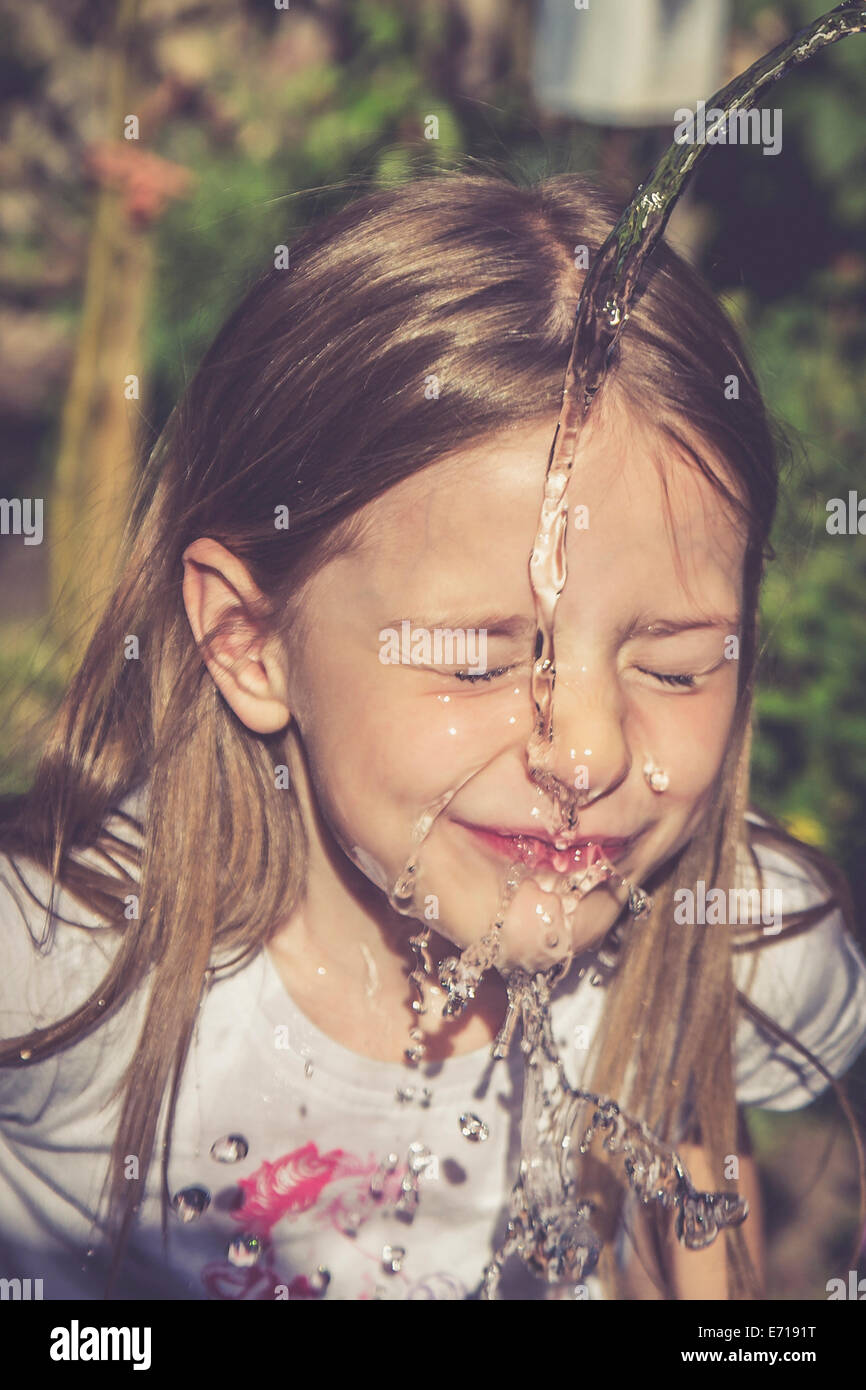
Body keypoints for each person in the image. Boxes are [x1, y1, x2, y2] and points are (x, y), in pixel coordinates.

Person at [1, 171, 864, 1302]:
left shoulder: (738, 949)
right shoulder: (65, 971)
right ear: (250, 640)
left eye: (674, 663)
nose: (589, 752)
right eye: (476, 660)